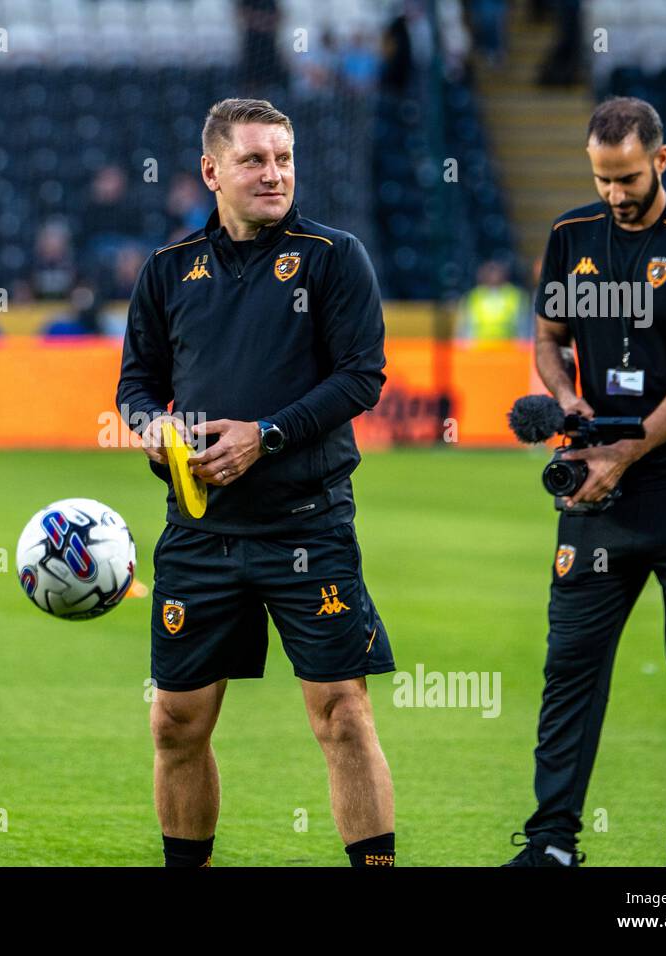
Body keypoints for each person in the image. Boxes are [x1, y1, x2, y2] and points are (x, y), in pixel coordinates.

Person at [117, 98, 396, 868]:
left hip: (308, 525)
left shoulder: (333, 256)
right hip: (200, 532)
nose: (274, 173)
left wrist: (264, 438)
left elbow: (362, 376)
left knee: (341, 712)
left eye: (284, 157)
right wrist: (152, 428)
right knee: (175, 722)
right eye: (254, 159)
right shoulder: (169, 271)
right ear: (212, 171)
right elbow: (136, 384)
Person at [505, 97, 666, 867]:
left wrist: (624, 453)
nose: (616, 194)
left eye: (629, 178)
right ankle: (551, 844)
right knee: (570, 665)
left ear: (662, 161)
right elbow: (548, 338)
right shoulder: (571, 237)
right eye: (603, 179)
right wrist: (570, 402)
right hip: (596, 481)